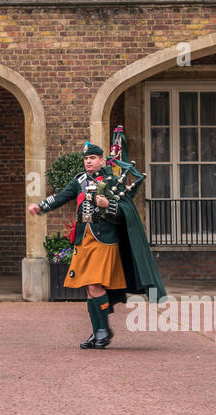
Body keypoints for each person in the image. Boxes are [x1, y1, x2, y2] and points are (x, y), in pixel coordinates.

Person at [29, 128, 166, 350]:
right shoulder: (79, 180)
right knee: (89, 288)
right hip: (84, 240)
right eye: (86, 158)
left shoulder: (113, 180)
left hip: (105, 240)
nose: (89, 162)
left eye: (93, 158)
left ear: (102, 160)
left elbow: (125, 212)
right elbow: (60, 196)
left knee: (95, 284)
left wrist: (107, 205)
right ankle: (98, 331)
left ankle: (103, 331)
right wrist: (40, 206)